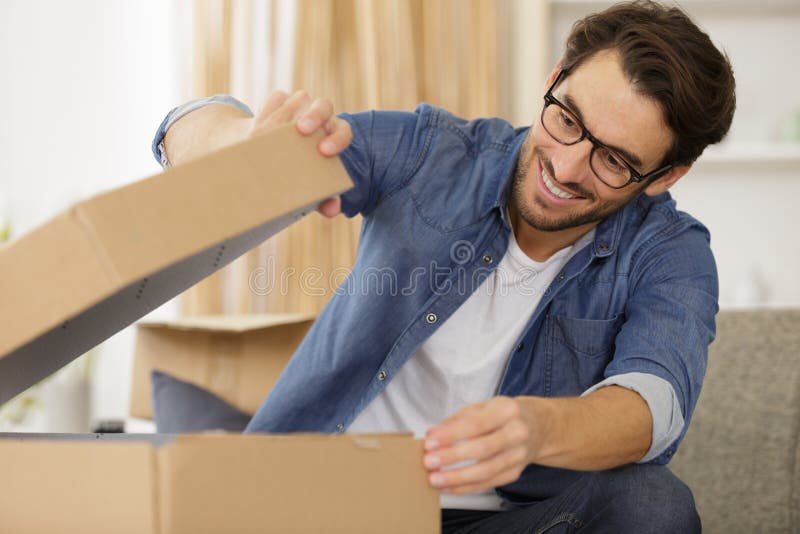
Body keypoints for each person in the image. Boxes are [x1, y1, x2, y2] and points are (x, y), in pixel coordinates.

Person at [152, 1, 735, 531]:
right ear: (554, 79)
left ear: (663, 178)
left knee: (653, 503)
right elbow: (187, 126)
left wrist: (541, 429)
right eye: (567, 120)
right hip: (322, 504)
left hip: (504, 521)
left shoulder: (670, 252)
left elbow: (653, 402)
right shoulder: (433, 155)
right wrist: (243, 139)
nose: (567, 165)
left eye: (613, 160)